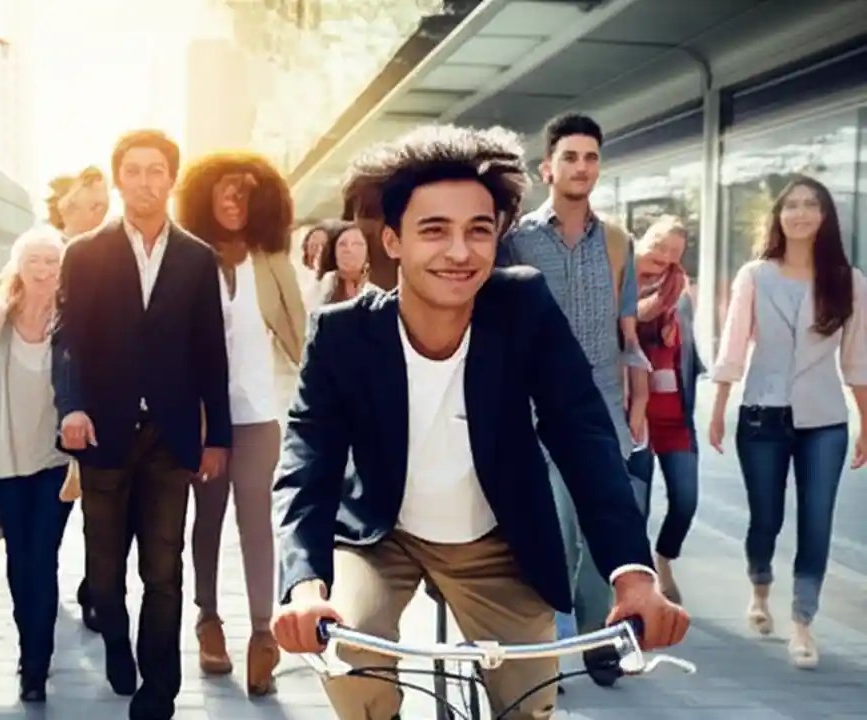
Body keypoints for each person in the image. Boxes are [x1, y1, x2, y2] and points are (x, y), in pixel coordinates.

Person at [269, 124, 689, 720]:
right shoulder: (344, 334)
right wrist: (304, 588)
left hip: (498, 541)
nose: (460, 252)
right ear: (392, 240)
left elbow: (582, 431)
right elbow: (306, 463)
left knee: (529, 705)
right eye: (434, 230)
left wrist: (632, 572)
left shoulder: (523, 306)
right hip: (379, 538)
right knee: (350, 656)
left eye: (479, 231)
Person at [52, 129, 231, 720]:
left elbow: (211, 353)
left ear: (171, 179)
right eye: (134, 171)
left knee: (164, 568)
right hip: (102, 432)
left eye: (157, 171)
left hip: (170, 439)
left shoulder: (198, 258)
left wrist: (218, 436)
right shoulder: (84, 253)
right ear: (118, 178)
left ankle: (160, 693)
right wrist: (71, 407)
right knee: (104, 573)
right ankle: (114, 641)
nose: (145, 182)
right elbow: (68, 340)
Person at [498, 113, 649, 680]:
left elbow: (628, 336)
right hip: (539, 414)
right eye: (570, 157)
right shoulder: (516, 242)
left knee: (602, 531)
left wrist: (637, 409)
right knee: (555, 533)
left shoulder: (617, 242)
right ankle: (554, 647)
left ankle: (599, 638)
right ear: (548, 167)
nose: (581, 167)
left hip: (605, 412)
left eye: (590, 158)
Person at [708, 175, 867, 670]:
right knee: (766, 520)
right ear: (778, 216)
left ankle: (802, 621)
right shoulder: (754, 275)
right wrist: (717, 409)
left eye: (811, 205)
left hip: (824, 421)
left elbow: (858, 359)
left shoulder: (850, 280)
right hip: (762, 415)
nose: (800, 213)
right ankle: (759, 589)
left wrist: (866, 419)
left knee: (816, 520)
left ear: (825, 217)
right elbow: (733, 346)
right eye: (791, 205)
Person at [173, 150, 306, 695]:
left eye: (246, 193)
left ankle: (261, 635)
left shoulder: (271, 259)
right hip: (204, 417)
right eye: (225, 190)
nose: (234, 201)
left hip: (258, 415)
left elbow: (299, 334)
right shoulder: (188, 259)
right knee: (206, 523)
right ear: (204, 196)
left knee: (257, 523)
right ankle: (208, 618)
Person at [0, 226, 75, 702]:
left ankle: (36, 665)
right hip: (4, 460)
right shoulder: (0, 313)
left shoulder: (73, 316)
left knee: (42, 556)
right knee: (18, 558)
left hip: (56, 459)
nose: (43, 270)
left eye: (52, 261)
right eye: (34, 262)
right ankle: (29, 644)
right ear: (19, 267)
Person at [44, 165, 114, 632]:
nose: (98, 213)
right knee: (50, 507)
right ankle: (41, 587)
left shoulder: (110, 254)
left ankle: (95, 588)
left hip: (95, 402)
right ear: (64, 207)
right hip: (43, 401)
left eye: (103, 205)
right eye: (88, 204)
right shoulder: (41, 251)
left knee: (98, 506)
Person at [627, 216, 703, 602]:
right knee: (634, 510)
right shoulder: (620, 279)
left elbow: (688, 354)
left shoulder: (679, 292)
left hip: (674, 417)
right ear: (644, 238)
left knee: (686, 499)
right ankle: (638, 588)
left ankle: (665, 557)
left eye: (674, 251)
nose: (665, 256)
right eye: (659, 244)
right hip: (634, 418)